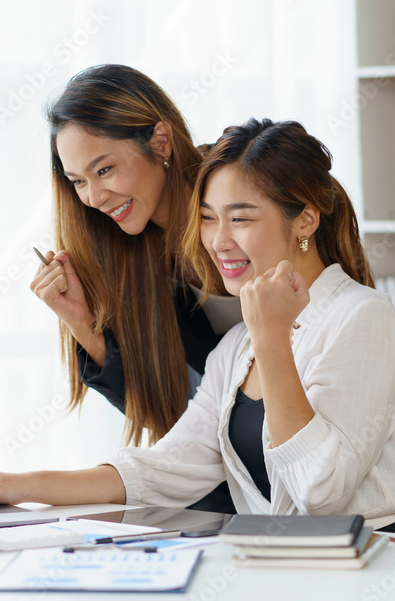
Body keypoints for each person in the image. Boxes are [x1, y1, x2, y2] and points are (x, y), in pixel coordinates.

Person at [0, 119, 395, 535]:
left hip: (389, 560)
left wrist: (272, 339)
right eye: (210, 218)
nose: (217, 241)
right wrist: (18, 485)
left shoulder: (363, 316)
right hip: (298, 569)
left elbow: (319, 494)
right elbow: (164, 469)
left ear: (305, 219)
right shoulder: (238, 346)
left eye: (240, 218)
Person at [30, 64, 240, 449]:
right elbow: (167, 415)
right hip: (225, 480)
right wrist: (83, 325)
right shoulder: (135, 253)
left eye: (105, 169)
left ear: (161, 142)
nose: (93, 198)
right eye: (78, 181)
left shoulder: (245, 192)